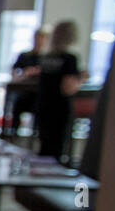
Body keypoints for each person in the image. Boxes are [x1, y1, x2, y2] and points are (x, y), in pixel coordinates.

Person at [35, 20, 84, 160]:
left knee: (44, 147)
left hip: (43, 105)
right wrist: (80, 79)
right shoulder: (70, 59)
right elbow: (67, 88)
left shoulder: (46, 57)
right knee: (56, 150)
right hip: (59, 108)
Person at [7, 27, 48, 135]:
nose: (39, 41)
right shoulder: (25, 56)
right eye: (38, 38)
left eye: (42, 38)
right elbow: (14, 72)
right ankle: (13, 133)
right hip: (24, 93)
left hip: (40, 96)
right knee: (17, 105)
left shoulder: (47, 58)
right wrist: (25, 73)